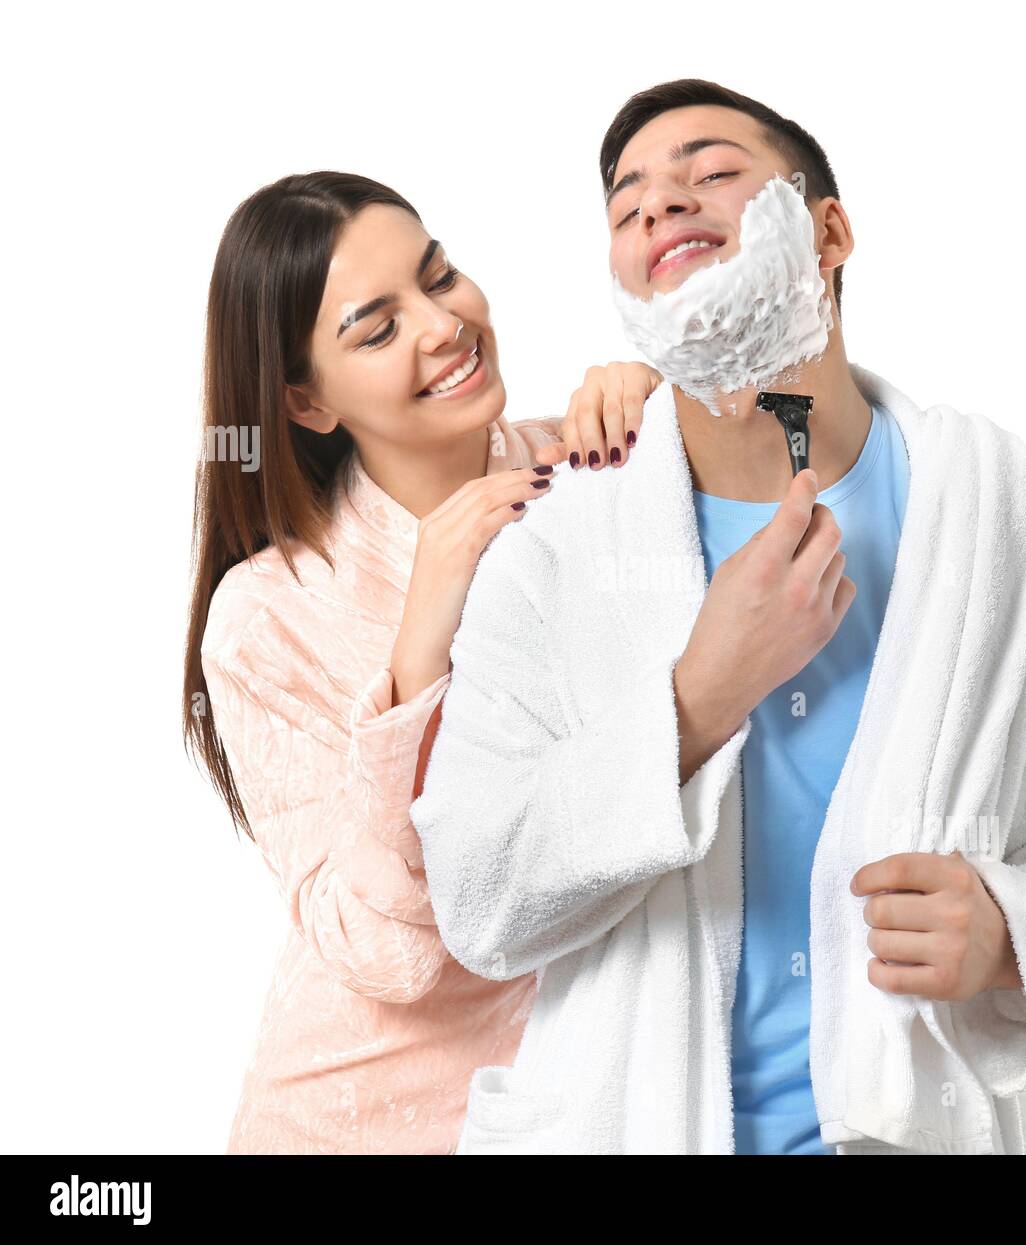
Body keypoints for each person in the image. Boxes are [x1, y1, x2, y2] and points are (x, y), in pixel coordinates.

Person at [412, 82, 1026, 1155]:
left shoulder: (1004, 525)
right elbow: (477, 899)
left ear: (827, 231)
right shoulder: (552, 555)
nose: (657, 205)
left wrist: (1012, 935)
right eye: (627, 202)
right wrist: (696, 700)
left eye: (710, 170)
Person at [182, 170, 661, 1154]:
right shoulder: (265, 617)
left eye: (439, 278)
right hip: (355, 1121)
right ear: (306, 403)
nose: (443, 326)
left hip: (584, 1107)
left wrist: (676, 400)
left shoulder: (595, 471)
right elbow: (380, 954)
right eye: (377, 328)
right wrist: (417, 652)